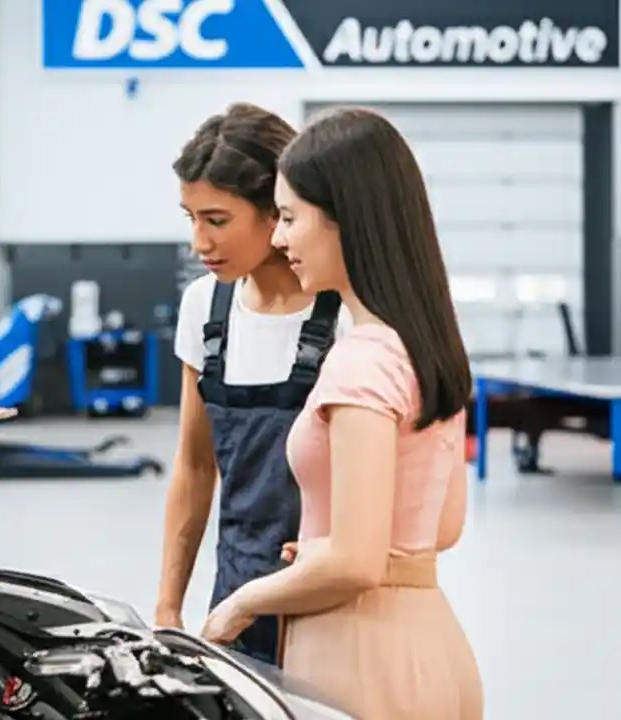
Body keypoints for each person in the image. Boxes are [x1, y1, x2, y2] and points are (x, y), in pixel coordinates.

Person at [201, 106, 483, 719]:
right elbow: (441, 529)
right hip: (435, 649)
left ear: (344, 221)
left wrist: (245, 600)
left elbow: (354, 561)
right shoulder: (427, 348)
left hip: (358, 659)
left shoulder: (361, 362)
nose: (279, 238)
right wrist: (327, 548)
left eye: (291, 217)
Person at [155, 103, 350, 665]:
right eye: (189, 218)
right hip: (235, 602)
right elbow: (195, 467)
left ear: (276, 213)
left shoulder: (348, 316)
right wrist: (169, 608)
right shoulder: (204, 308)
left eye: (216, 220)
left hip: (329, 604)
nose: (199, 242)